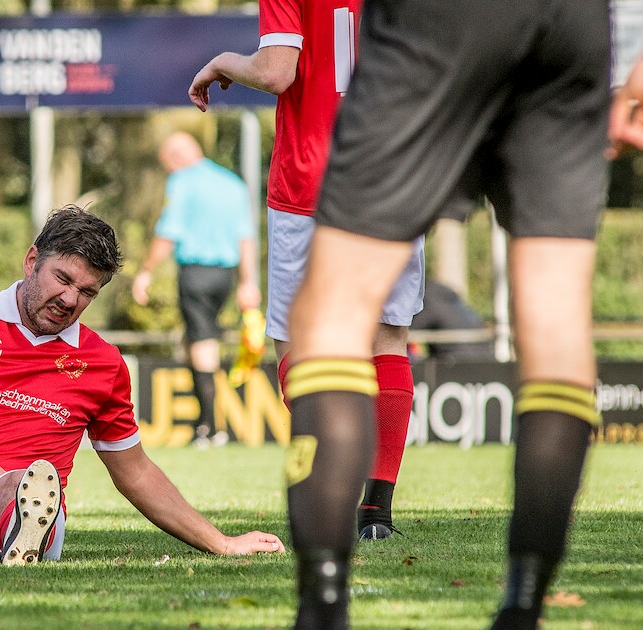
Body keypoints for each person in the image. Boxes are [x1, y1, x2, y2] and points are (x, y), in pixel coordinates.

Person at [207, 0, 643, 627]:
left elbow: (282, 67)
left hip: (438, 20)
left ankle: (323, 602)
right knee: (555, 313)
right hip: (571, 20)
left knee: (332, 313)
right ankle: (522, 604)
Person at [0, 205, 286, 566]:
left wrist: (221, 543)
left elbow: (137, 472)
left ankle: (21, 544)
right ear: (31, 261)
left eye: (87, 292)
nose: (70, 299)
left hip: (23, 504)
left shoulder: (103, 363)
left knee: (27, 482)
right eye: (62, 279)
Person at [189, 0, 422, 542]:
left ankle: (327, 495)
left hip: (310, 183)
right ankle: (377, 511)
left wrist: (224, 61)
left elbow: (275, 71)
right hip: (398, 175)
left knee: (299, 343)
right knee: (387, 338)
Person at [132, 132, 260, 449]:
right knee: (198, 338)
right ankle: (207, 424)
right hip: (226, 275)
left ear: (175, 158)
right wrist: (248, 282)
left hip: (196, 273)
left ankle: (209, 427)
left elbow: (168, 231)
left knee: (203, 343)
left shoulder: (182, 182)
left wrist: (145, 271)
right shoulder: (233, 183)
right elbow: (246, 237)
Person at [413, 280, 495, 362]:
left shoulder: (432, 302)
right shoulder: (456, 304)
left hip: (457, 363)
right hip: (485, 360)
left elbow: (411, 329)